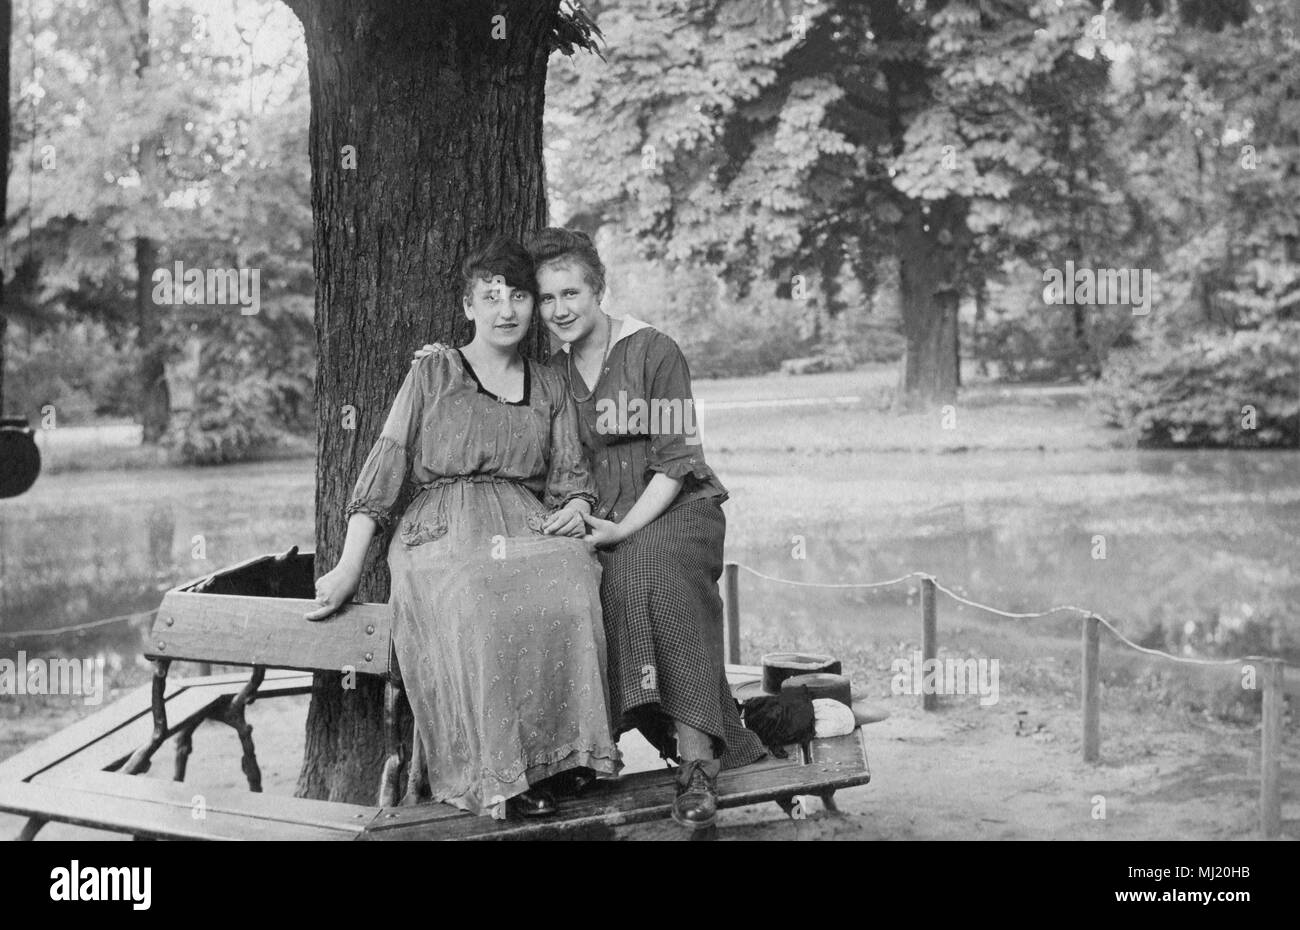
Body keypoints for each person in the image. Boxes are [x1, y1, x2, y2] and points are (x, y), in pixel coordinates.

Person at [415, 228, 765, 831]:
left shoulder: (654, 350)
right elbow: (506, 414)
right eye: (547, 299)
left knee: (641, 569)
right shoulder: (551, 371)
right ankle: (581, 756)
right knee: (571, 584)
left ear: (598, 289)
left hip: (675, 508)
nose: (560, 310)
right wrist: (442, 362)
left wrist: (621, 527)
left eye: (571, 293)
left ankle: (699, 762)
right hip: (598, 517)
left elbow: (678, 460)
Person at [311, 236, 620, 820]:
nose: (507, 311)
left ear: (532, 307)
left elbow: (570, 475)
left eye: (520, 297)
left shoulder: (549, 382)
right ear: (468, 306)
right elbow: (385, 468)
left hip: (522, 518)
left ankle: (566, 758)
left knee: (574, 573)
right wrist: (350, 564)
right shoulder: (434, 371)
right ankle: (502, 774)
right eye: (491, 297)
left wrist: (577, 505)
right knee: (477, 590)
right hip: (442, 527)